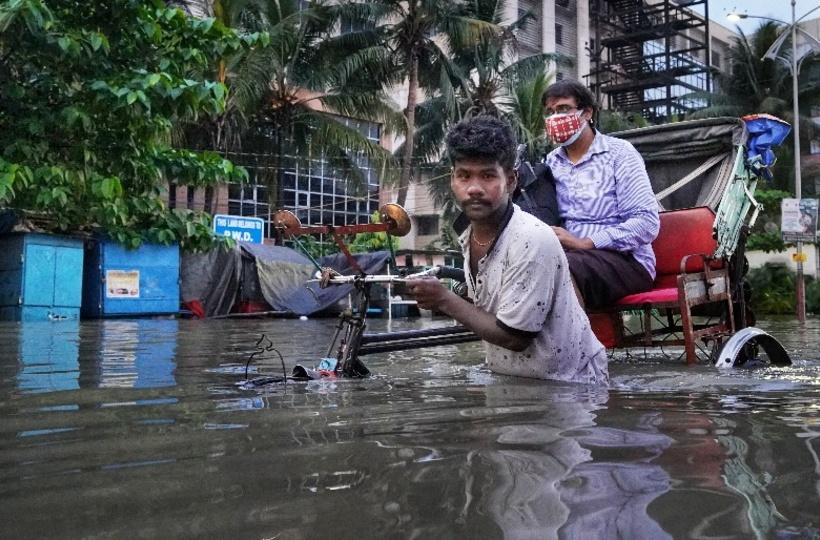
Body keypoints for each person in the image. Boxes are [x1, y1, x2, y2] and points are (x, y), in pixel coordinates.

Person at [406, 115, 608, 385]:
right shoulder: (468, 233)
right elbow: (492, 312)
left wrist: (443, 299)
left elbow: (516, 337)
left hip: (571, 388)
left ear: (511, 181)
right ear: (452, 180)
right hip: (517, 383)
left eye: (488, 175)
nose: (474, 188)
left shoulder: (532, 238)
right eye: (464, 176)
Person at [542, 80, 660, 309]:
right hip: (569, 256)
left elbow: (646, 222)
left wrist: (586, 242)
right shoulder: (550, 163)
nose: (556, 118)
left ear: (587, 113)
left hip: (626, 260)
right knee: (535, 265)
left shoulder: (620, 153)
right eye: (551, 112)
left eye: (564, 109)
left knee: (560, 267)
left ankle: (577, 342)